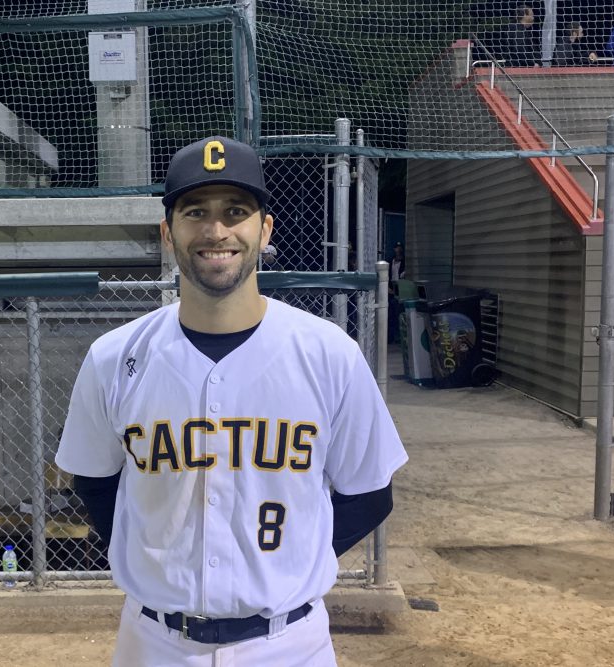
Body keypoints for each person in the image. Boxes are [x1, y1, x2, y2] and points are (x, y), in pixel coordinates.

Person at [56, 136, 408, 666]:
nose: (216, 231)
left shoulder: (328, 353)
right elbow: (95, 483)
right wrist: (161, 560)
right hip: (154, 643)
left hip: (290, 644)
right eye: (195, 211)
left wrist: (288, 563)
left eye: (235, 212)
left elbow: (370, 495)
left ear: (264, 229)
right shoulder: (113, 357)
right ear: (167, 232)